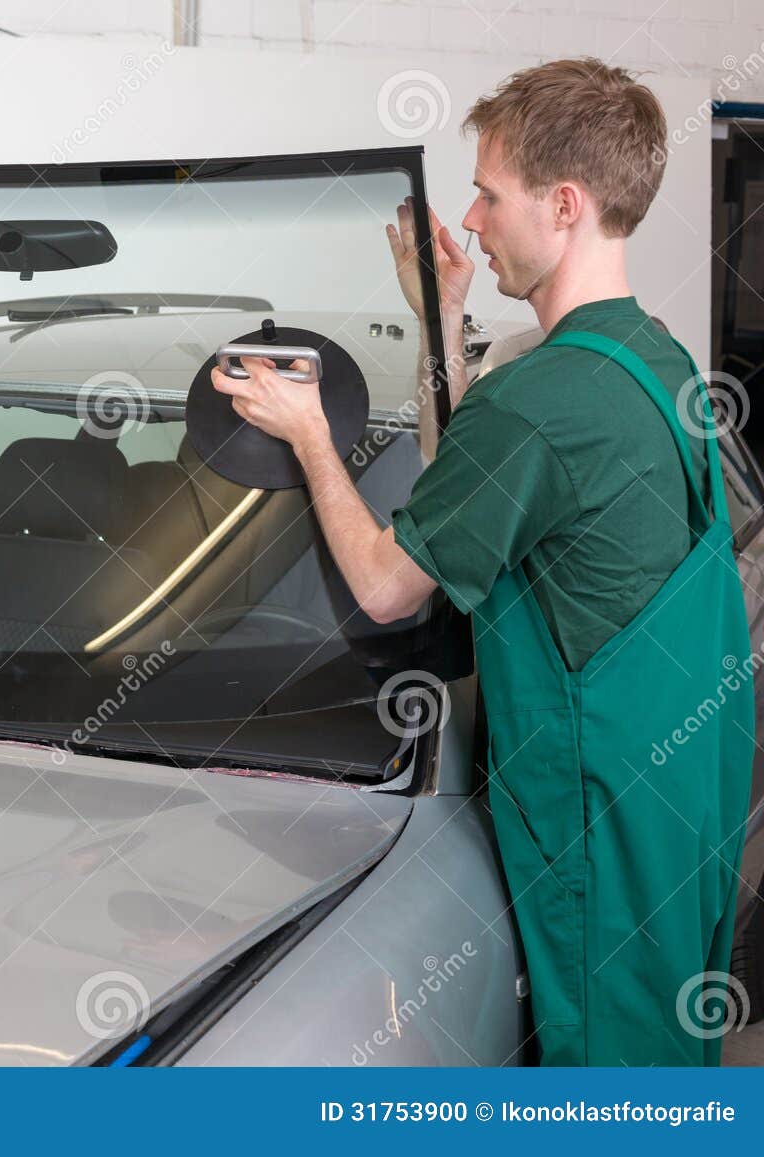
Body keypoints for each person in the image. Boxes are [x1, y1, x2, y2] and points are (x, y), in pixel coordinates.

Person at [211, 58, 753, 1065]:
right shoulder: (654, 358)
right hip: (674, 805)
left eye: (489, 194)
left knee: (607, 1090)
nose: (469, 218)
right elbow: (486, 482)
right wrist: (441, 323)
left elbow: (386, 585)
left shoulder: (540, 399)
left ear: (564, 204)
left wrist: (310, 435)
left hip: (594, 830)